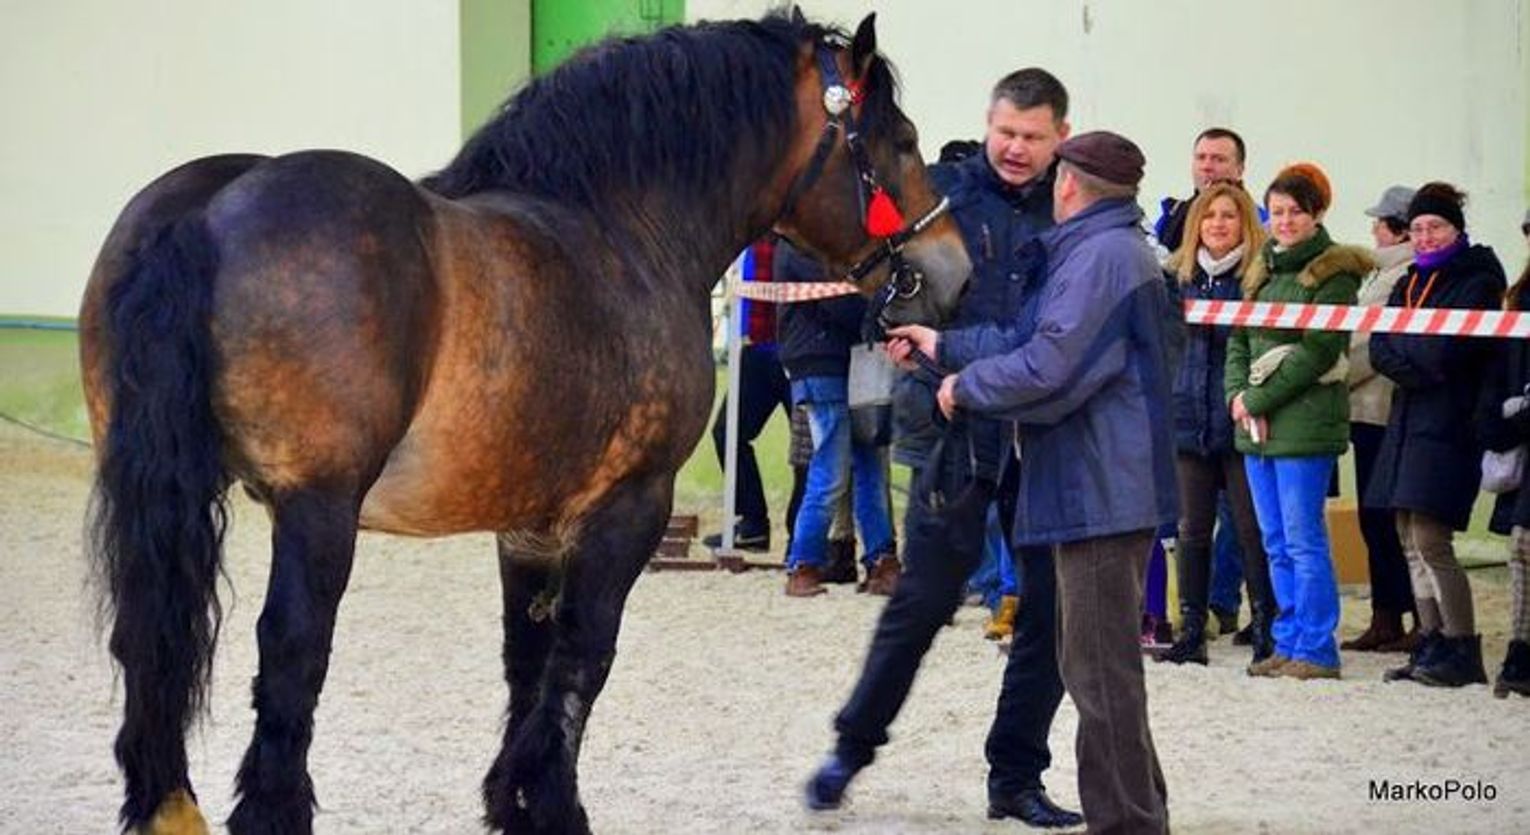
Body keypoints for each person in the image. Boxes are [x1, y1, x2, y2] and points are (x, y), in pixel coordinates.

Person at [804, 67, 1082, 829]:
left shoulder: (1072, 212)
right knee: (920, 603)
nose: (1016, 148)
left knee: (1049, 617)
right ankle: (850, 748)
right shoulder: (943, 196)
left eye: (1032, 136)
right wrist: (898, 337)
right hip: (958, 432)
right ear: (988, 123)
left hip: (1048, 441)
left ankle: (1016, 778)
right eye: (1006, 132)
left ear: (1060, 135)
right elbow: (889, 288)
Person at [904, 130, 1178, 834]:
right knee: (1102, 670)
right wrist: (945, 348)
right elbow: (1027, 340)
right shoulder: (1100, 251)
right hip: (1095, 483)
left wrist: (965, 387)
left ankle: (1129, 823)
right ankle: (1141, 811)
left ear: (1069, 183)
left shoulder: (1101, 258)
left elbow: (1050, 368)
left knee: (1100, 675)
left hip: (1100, 489)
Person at [1227, 162, 1369, 681]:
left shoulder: (1334, 274)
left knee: (1304, 539)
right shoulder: (1260, 268)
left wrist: (1256, 399)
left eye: (1295, 212)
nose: (1285, 221)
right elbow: (1238, 340)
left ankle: (1317, 647)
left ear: (1317, 214)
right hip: (1256, 425)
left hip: (1305, 424)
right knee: (1274, 541)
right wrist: (1238, 397)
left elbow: (1317, 351)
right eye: (1277, 212)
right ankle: (1287, 640)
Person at [1368, 182, 1507, 687]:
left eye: (1436, 227)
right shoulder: (1409, 281)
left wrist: (1410, 356)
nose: (1425, 237)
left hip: (1451, 421)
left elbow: (1446, 353)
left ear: (1457, 229)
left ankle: (1462, 645)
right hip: (1408, 417)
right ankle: (1430, 640)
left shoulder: (1477, 280)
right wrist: (1413, 358)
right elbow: (1380, 347)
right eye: (1418, 228)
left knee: (1432, 537)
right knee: (1406, 533)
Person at [1156, 182, 1277, 666]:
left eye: (1228, 215)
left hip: (1241, 420)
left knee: (1251, 529)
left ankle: (1265, 626)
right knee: (1191, 529)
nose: (1218, 224)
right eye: (1209, 216)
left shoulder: (1258, 278)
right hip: (1186, 418)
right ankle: (1192, 629)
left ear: (1244, 222)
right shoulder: (1174, 278)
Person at [777, 240, 897, 597]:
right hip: (824, 359)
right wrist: (882, 312)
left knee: (861, 463)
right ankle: (805, 563)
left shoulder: (801, 243)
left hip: (832, 357)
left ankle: (877, 560)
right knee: (836, 466)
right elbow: (839, 301)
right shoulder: (801, 245)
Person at [1342, 185, 1418, 652]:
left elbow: (1365, 344)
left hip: (1378, 407)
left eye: (1380, 222)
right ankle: (1386, 614)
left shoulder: (1397, 275)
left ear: (1398, 228)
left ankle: (1401, 613)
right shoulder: (1384, 271)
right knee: (1375, 518)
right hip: (1368, 409)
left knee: (1383, 517)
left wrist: (1334, 376)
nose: (1374, 229)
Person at [704, 236, 792, 552]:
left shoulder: (794, 237)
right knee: (727, 433)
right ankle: (752, 524)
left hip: (796, 351)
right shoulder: (748, 238)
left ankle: (802, 537)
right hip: (756, 349)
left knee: (807, 450)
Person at [1480, 208, 1530, 698]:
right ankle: (1520, 647)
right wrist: (1498, 415)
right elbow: (1501, 365)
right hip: (1522, 437)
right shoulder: (1518, 297)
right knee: (1520, 547)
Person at [1154, 127, 1253, 254]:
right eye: (1201, 158)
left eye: (1219, 159)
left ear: (1240, 170)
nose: (1206, 166)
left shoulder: (1259, 220)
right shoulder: (1172, 215)